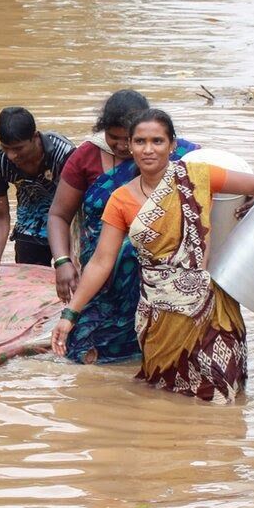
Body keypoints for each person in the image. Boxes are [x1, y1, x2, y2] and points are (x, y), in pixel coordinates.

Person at [51, 109, 254, 403]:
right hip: (159, 319)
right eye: (140, 141)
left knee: (222, 398)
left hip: (211, 311)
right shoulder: (120, 200)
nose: (148, 149)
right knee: (166, 399)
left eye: (157, 141)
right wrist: (70, 314)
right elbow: (100, 263)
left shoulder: (198, 178)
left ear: (173, 145)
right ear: (130, 146)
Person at [46, 90, 199, 365]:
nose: (120, 147)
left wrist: (244, 204)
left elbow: (222, 187)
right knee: (83, 351)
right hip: (102, 275)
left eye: (126, 139)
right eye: (112, 137)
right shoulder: (86, 157)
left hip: (160, 275)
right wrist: (62, 261)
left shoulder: (183, 155)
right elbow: (58, 214)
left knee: (158, 352)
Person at [0, 106, 75, 281]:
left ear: (35, 137)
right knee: (29, 282)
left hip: (67, 221)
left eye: (18, 148)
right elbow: (0, 216)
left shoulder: (63, 153)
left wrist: (71, 260)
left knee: (72, 276)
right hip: (31, 225)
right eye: (5, 148)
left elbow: (76, 208)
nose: (12, 156)